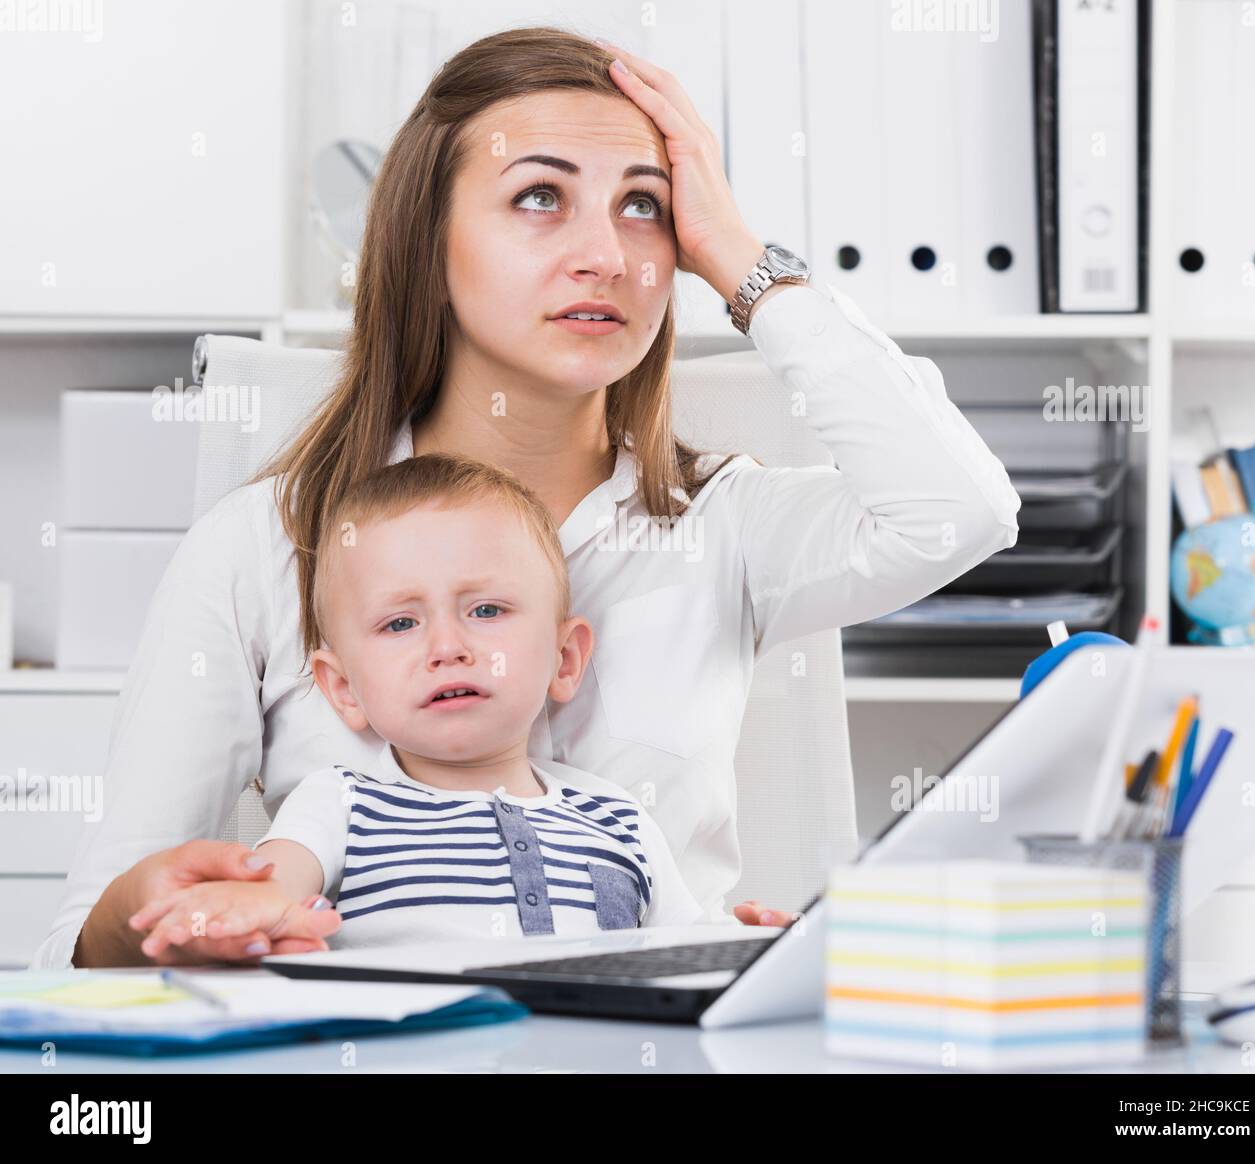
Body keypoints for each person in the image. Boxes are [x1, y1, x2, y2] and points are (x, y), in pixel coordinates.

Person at [35, 28, 1020, 970]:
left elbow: (959, 513)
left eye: (644, 205)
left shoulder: (725, 524)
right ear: (427, 241)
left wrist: (738, 258)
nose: (607, 255)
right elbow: (84, 942)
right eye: (541, 197)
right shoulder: (262, 545)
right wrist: (167, 920)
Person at [128, 454, 707, 957]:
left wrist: (766, 950)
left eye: (485, 611)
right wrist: (242, 907)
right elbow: (275, 884)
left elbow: (694, 955)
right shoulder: (342, 802)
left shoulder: (619, 817)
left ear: (565, 658)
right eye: (400, 622)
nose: (447, 649)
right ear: (344, 689)